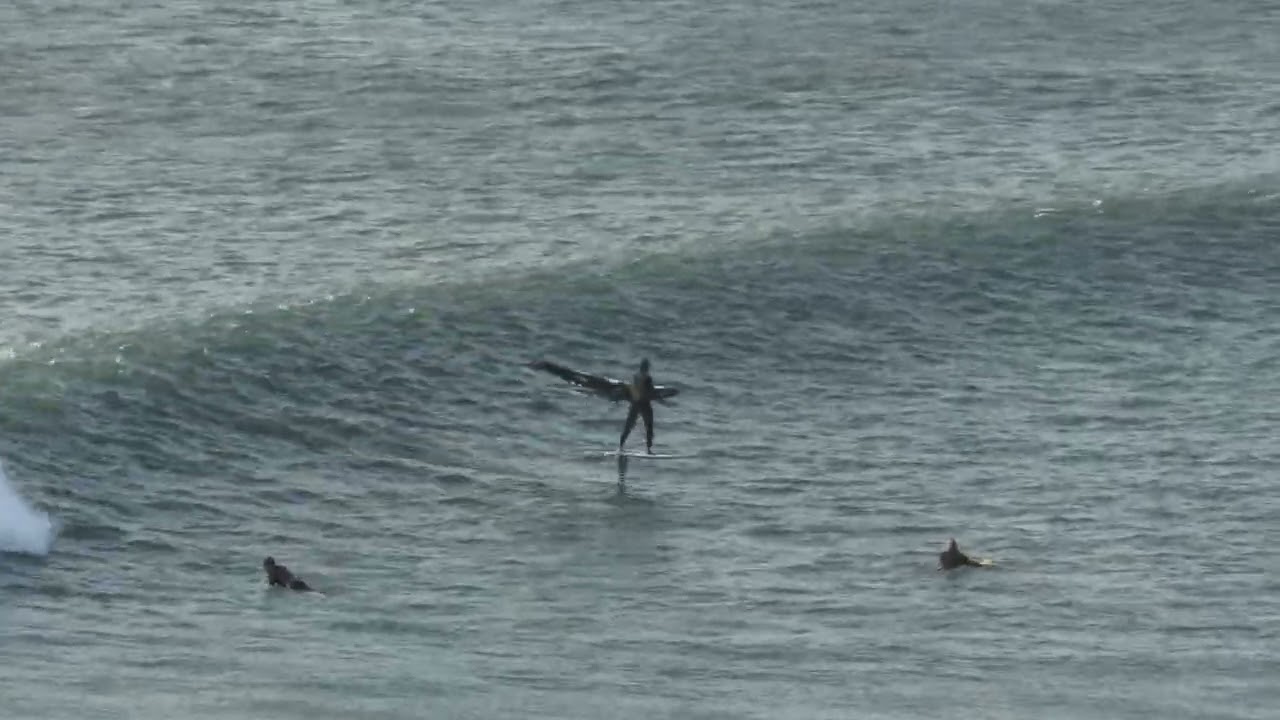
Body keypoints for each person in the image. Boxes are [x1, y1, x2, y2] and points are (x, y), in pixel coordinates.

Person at [619, 358, 657, 453]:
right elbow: (650, 391)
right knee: (649, 427)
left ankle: (620, 447)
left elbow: (633, 389)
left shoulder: (636, 376)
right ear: (647, 367)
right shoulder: (648, 378)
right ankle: (649, 449)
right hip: (644, 404)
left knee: (628, 426)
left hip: (635, 403)